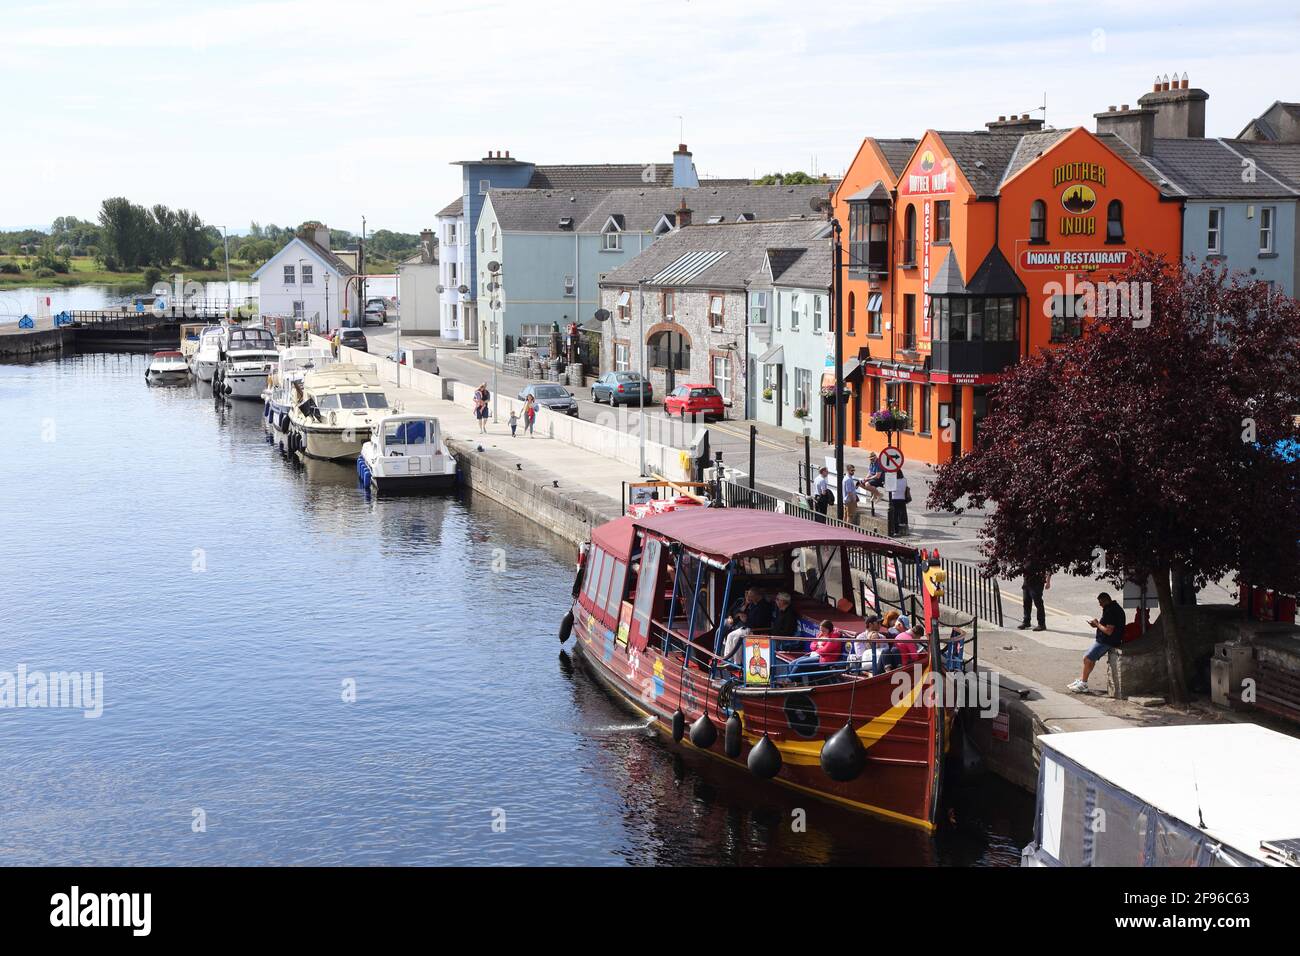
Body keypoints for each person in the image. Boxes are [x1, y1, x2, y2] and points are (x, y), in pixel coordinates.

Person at [1069, 592, 1126, 693]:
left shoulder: (1111, 611)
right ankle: (1082, 679)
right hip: (1106, 639)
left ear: (1106, 600)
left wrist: (1097, 624)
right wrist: (1097, 625)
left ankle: (1083, 683)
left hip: (1107, 641)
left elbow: (1109, 631)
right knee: (1091, 659)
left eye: (1100, 602)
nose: (1100, 605)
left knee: (1087, 658)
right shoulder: (1113, 607)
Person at [888, 468, 911, 536]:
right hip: (902, 499)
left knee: (895, 516)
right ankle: (905, 531)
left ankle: (896, 531)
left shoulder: (893, 480)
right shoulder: (904, 480)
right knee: (903, 515)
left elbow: (889, 488)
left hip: (894, 499)